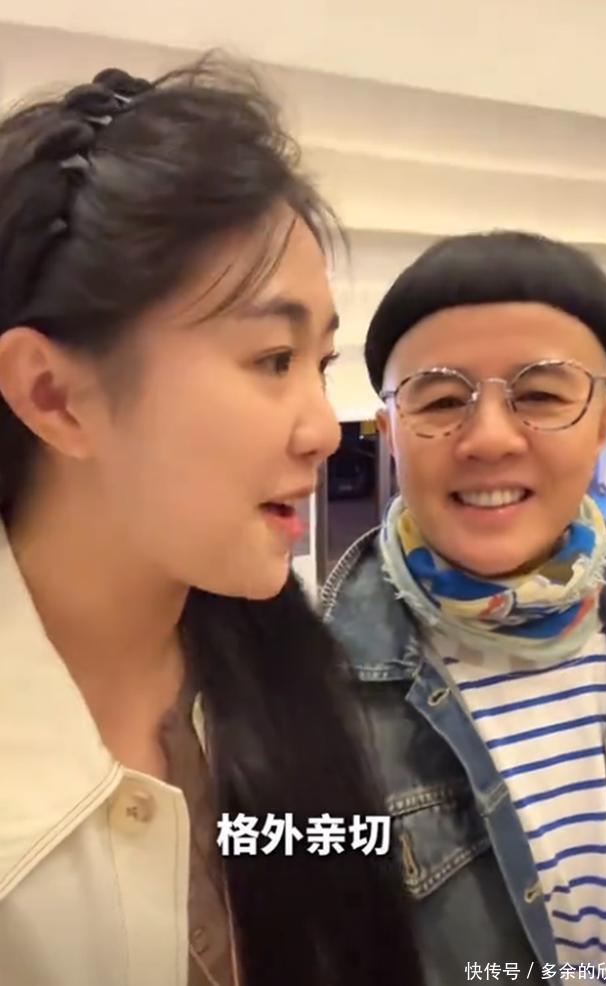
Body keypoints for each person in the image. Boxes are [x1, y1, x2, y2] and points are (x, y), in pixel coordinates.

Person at [0, 57, 424, 986]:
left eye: (321, 364)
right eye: (273, 359)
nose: (324, 429)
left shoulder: (294, 679)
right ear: (54, 395)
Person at [323, 231, 606, 985]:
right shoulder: (308, 691)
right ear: (391, 432)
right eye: (439, 400)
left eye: (541, 396)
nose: (490, 439)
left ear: (605, 420)